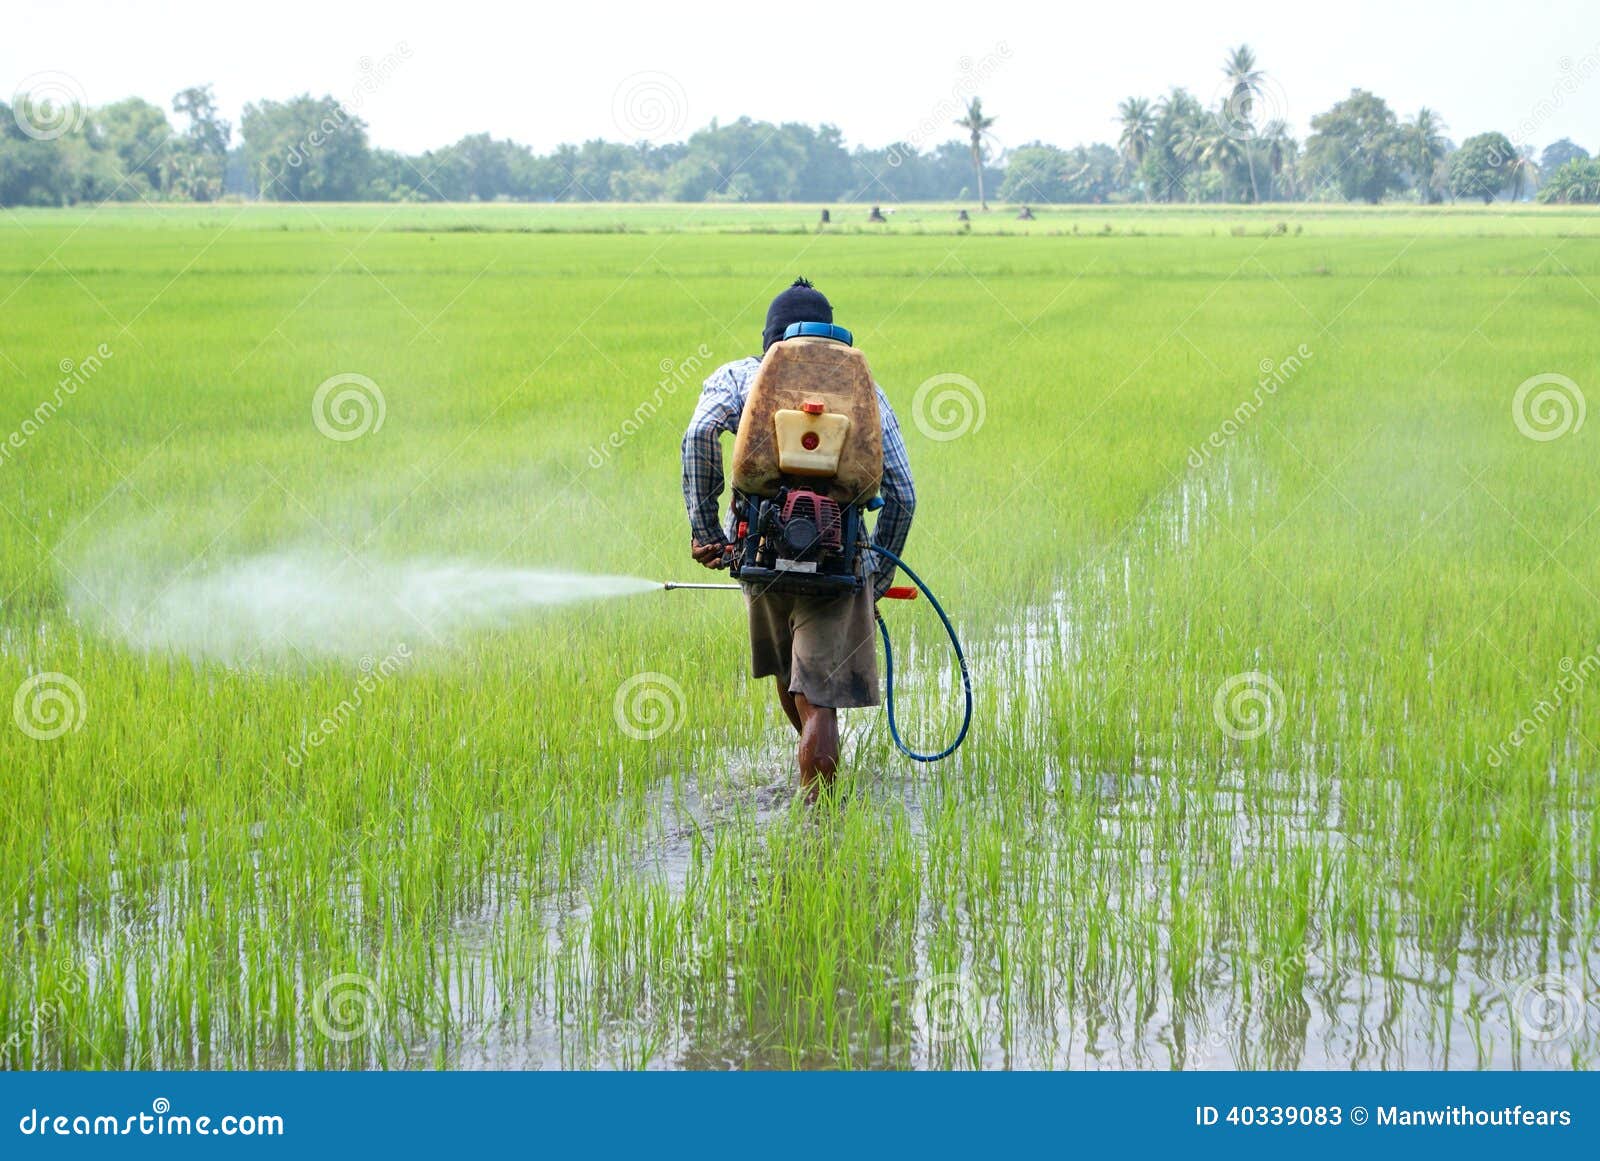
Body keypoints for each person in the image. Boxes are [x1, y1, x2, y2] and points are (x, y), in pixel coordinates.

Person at [681, 278, 915, 799]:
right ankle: (822, 812)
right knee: (818, 695)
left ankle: (816, 803)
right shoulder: (863, 391)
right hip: (838, 565)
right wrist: (876, 577)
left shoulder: (741, 376)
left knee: (796, 684)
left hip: (760, 554)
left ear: (768, 340)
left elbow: (698, 435)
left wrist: (707, 532)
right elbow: (903, 493)